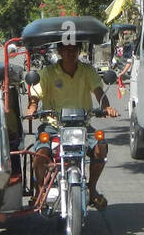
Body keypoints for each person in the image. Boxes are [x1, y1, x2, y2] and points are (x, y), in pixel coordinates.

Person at [25, 42, 118, 209]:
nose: (70, 52)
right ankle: (40, 192)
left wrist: (106, 107)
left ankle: (92, 188)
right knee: (40, 154)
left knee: (101, 147)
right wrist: (32, 108)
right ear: (60, 51)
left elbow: (99, 92)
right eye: (66, 49)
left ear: (79, 51)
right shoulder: (48, 72)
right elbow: (35, 95)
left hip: (82, 126)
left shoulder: (87, 71)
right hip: (52, 126)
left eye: (74, 49)